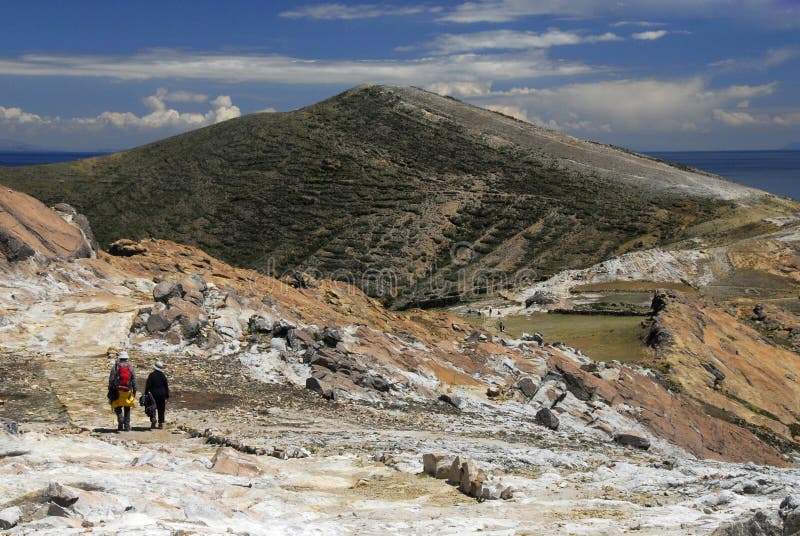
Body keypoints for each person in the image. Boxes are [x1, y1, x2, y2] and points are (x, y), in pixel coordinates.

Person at [108, 351, 137, 431]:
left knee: (117, 406)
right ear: (126, 358)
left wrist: (110, 389)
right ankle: (127, 426)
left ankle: (120, 421)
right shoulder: (130, 367)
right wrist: (135, 390)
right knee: (127, 408)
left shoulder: (115, 367)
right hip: (127, 391)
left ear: (119, 358)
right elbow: (134, 379)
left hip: (117, 391)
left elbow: (111, 379)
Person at [145, 361, 170, 429]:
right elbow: (166, 386)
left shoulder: (151, 375)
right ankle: (160, 423)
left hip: (153, 394)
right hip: (162, 394)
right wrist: (167, 395)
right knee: (161, 409)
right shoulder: (163, 376)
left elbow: (148, 386)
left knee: (152, 407)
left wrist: (146, 394)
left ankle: (153, 419)